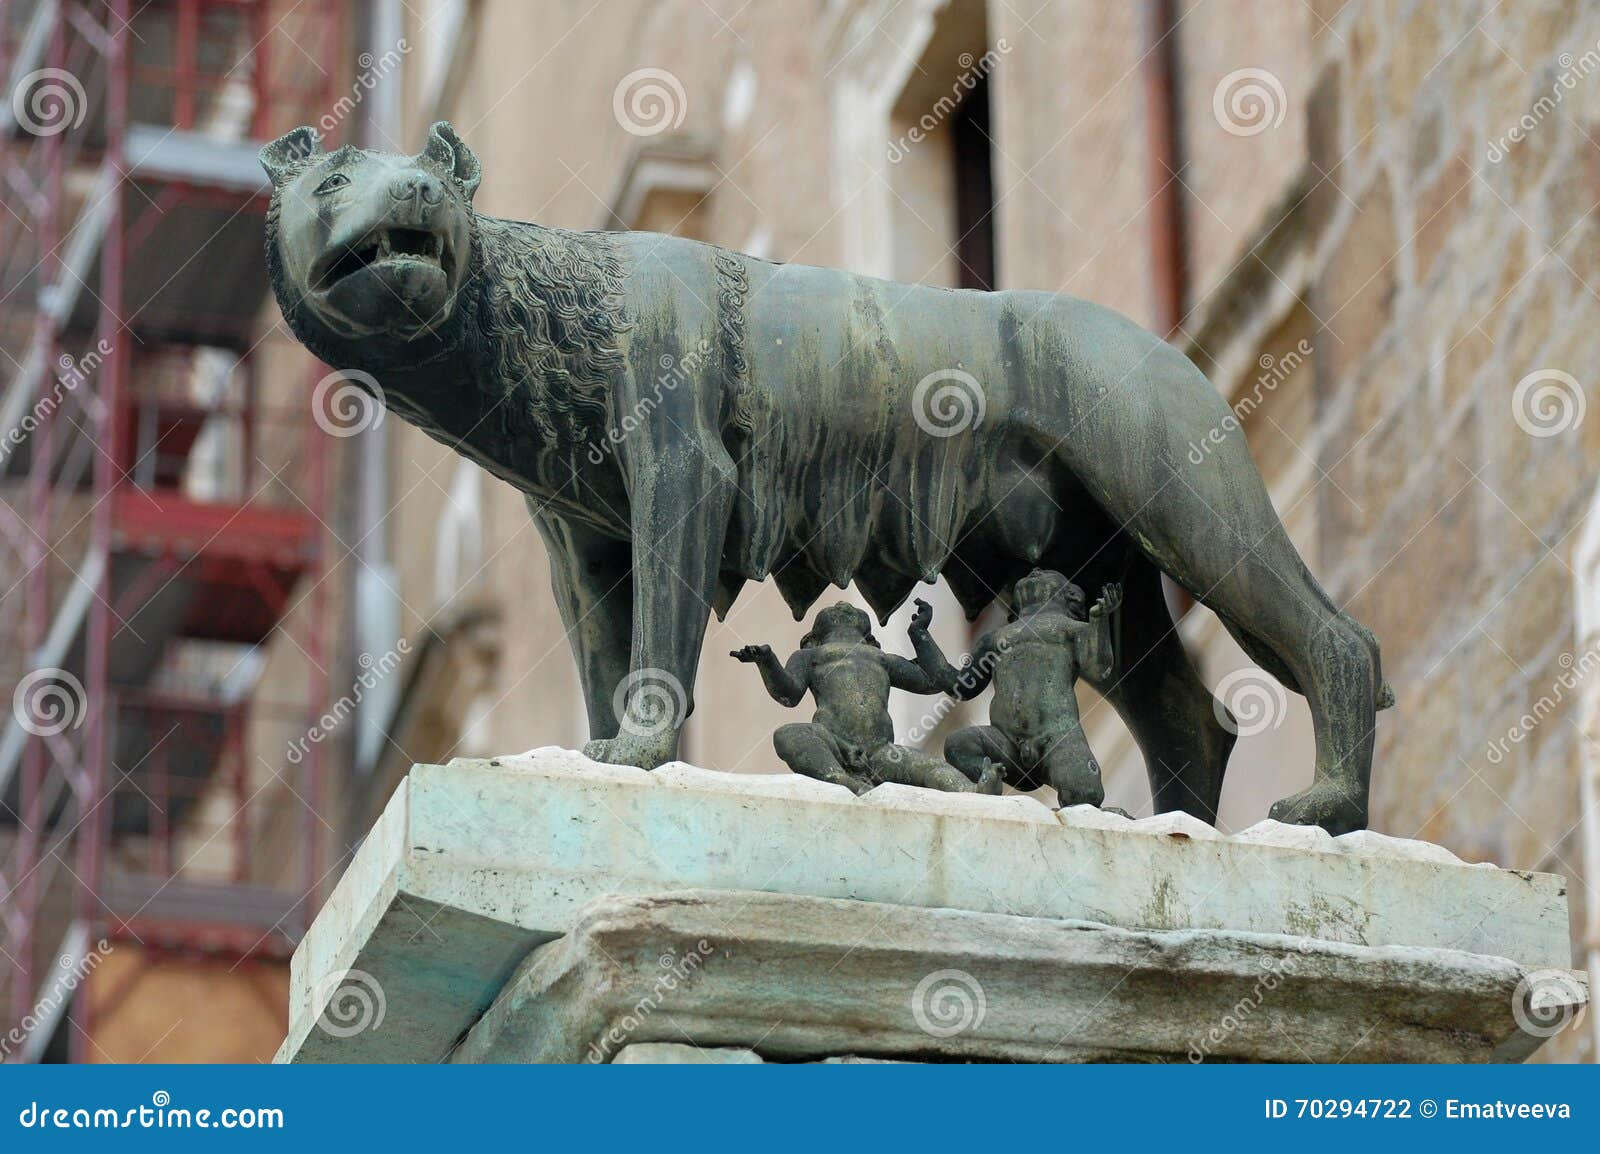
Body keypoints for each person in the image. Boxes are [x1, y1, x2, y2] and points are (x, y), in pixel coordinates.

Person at [733, 600, 1000, 795]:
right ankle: (842, 780)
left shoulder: (882, 660)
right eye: (835, 610)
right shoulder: (811, 657)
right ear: (814, 637)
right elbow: (788, 694)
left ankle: (972, 791)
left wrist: (920, 634)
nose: (842, 605)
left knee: (932, 768)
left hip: (882, 752)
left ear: (869, 637)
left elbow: (933, 681)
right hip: (833, 746)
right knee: (788, 735)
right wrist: (767, 662)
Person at [912, 570, 1120, 807]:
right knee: (958, 745)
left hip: (1056, 740)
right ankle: (987, 792)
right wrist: (921, 637)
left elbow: (1098, 669)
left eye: (1046, 574)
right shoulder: (995, 638)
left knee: (1085, 793)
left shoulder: (1072, 629)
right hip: (1005, 743)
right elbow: (960, 686)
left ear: (1068, 595)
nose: (1035, 571)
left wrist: (1099, 622)